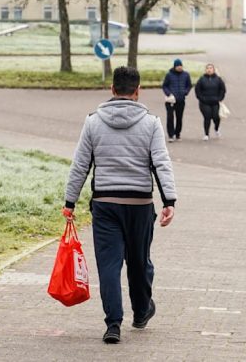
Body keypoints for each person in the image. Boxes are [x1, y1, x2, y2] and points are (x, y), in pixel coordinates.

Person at [63, 66, 176, 344]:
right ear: (138, 92)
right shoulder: (151, 123)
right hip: (139, 204)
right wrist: (169, 200)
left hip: (105, 204)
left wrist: (70, 201)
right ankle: (141, 311)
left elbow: (81, 165)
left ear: (112, 89)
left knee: (109, 266)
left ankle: (113, 324)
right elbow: (160, 162)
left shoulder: (93, 122)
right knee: (139, 263)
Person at [161, 58, 192, 142]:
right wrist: (168, 93)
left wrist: (185, 92)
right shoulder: (169, 75)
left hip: (181, 100)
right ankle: (171, 135)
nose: (179, 67)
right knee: (170, 117)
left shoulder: (186, 75)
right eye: (178, 66)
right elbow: (164, 86)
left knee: (179, 118)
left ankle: (177, 134)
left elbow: (189, 85)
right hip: (170, 100)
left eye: (180, 66)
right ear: (174, 66)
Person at [195, 63, 227, 140]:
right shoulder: (201, 79)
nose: (209, 70)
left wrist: (220, 98)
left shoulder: (218, 79)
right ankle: (206, 134)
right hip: (204, 102)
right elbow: (197, 90)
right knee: (207, 117)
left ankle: (216, 128)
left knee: (216, 117)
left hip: (215, 102)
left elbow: (223, 90)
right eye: (208, 68)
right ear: (205, 70)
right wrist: (201, 98)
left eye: (211, 68)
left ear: (213, 70)